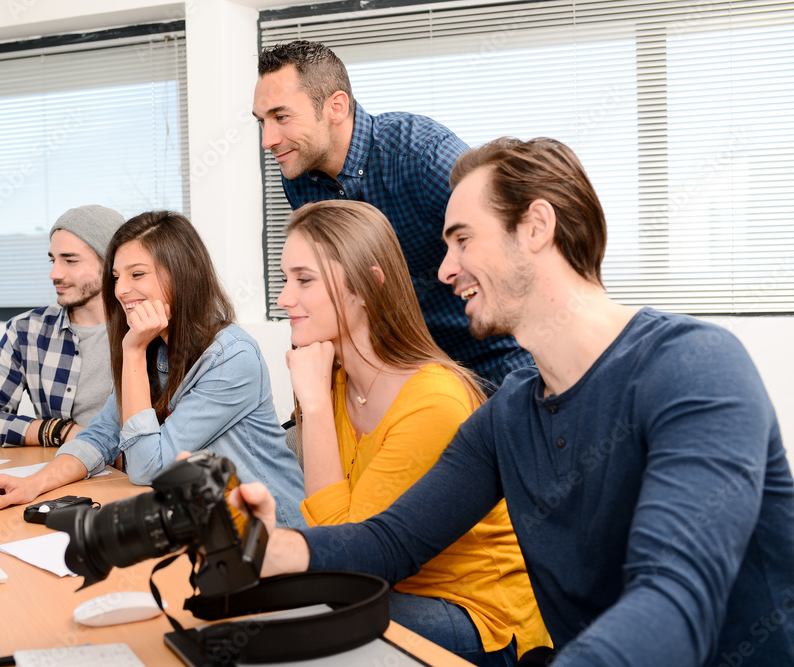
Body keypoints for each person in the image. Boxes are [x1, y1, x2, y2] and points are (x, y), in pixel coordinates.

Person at [237, 138, 794, 666]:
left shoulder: (694, 368)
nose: (444, 270)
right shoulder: (508, 415)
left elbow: (675, 598)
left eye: (462, 240)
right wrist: (275, 549)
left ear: (535, 227)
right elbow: (388, 541)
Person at [278, 199, 549, 666]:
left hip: (479, 613)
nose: (284, 298)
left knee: (305, 622)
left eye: (304, 279)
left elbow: (349, 557)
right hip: (388, 588)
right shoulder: (336, 381)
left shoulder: (432, 400)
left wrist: (317, 408)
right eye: (286, 279)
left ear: (368, 286)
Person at [0, 211, 307, 528]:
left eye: (137, 274)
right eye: (115, 276)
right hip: (206, 524)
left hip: (271, 534)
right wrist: (32, 483)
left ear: (182, 274)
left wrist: (133, 350)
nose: (121, 290)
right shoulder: (156, 345)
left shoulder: (230, 357)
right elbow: (100, 435)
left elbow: (147, 467)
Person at [254, 39, 532, 393]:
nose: (268, 139)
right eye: (262, 121)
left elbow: (512, 242)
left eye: (281, 117)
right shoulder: (299, 177)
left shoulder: (421, 154)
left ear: (336, 107)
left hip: (493, 357)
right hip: (406, 365)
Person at [0, 204, 124, 447]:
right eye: (53, 260)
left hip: (130, 478)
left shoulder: (147, 328)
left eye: (70, 260)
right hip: (61, 473)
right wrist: (58, 431)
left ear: (111, 264)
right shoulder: (27, 331)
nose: (54, 273)